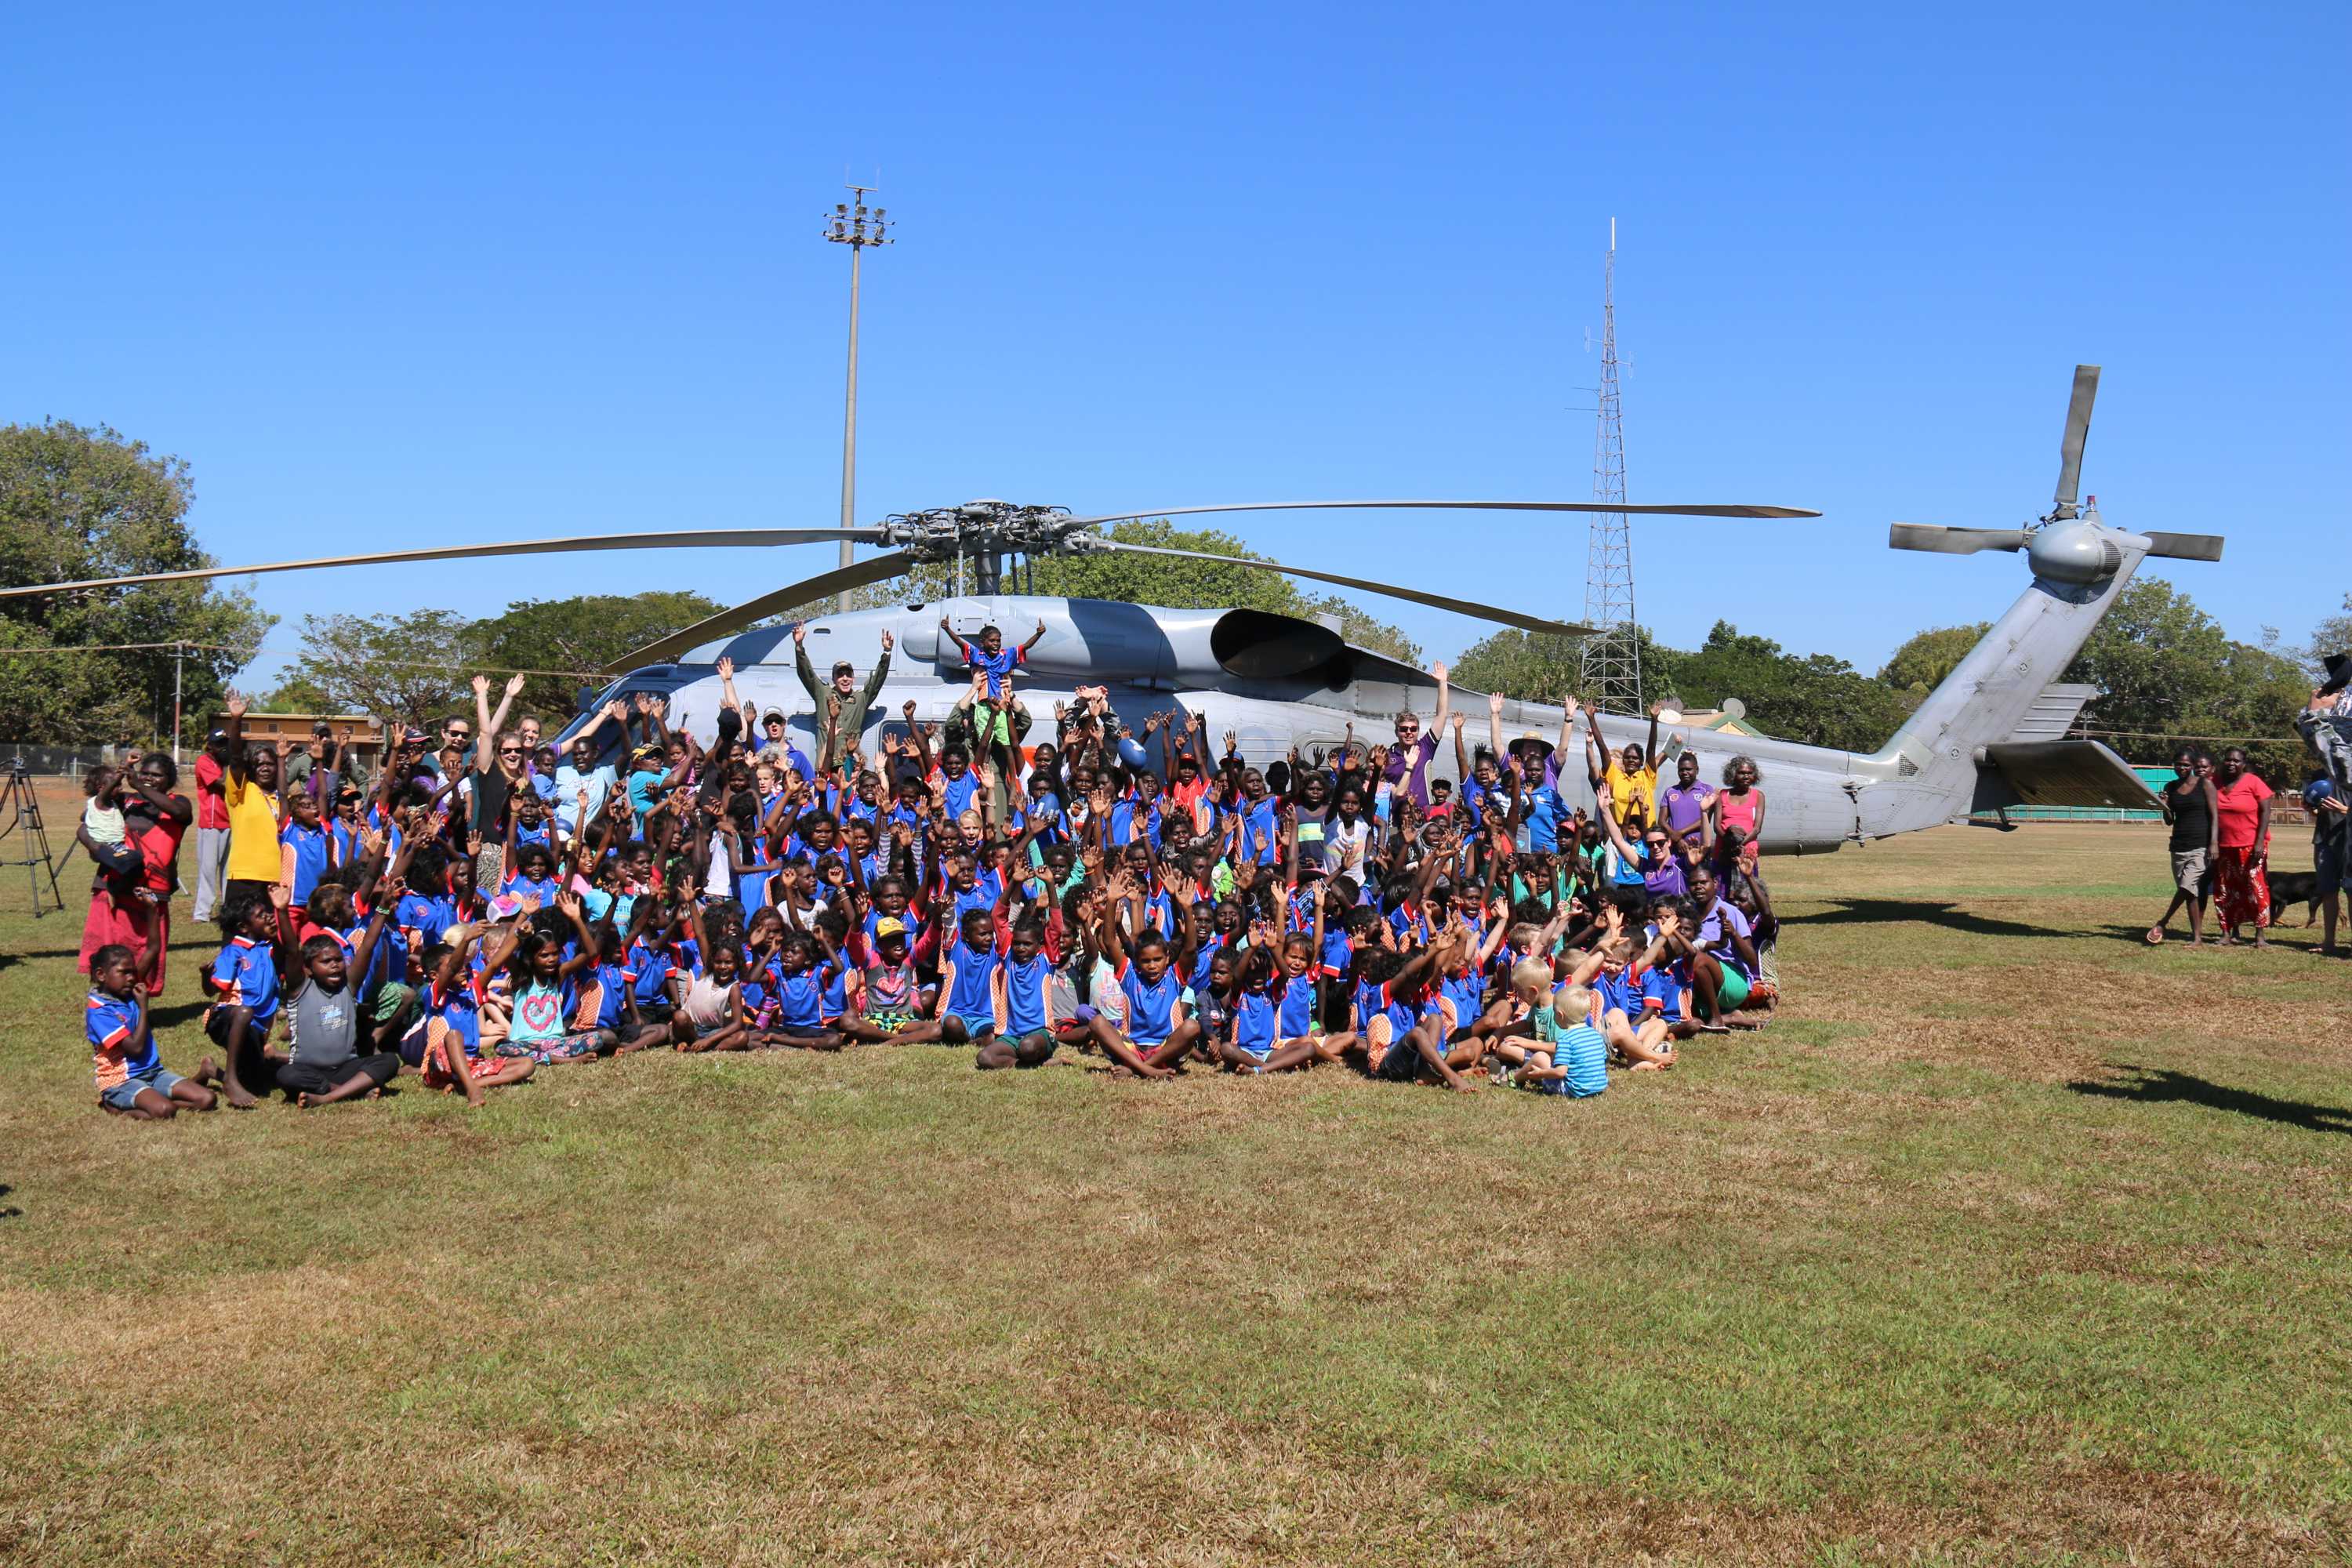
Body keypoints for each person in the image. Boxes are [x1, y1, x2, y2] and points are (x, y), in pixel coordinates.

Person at [280, 895, 403, 1108]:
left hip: (347, 1067)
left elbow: (367, 946)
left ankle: (327, 1096)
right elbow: (292, 951)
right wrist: (282, 910)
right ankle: (352, 1091)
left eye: (338, 960)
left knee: (390, 1061)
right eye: (326, 962)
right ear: (308, 969)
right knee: (286, 1074)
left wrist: (382, 908)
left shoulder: (348, 986)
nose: (335, 965)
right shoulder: (300, 989)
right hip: (309, 1068)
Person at [86, 943, 220, 1118]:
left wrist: (153, 916)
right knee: (164, 1111)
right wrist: (143, 1008)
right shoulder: (99, 1011)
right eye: (124, 972)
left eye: (133, 972)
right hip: (122, 1081)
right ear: (101, 975)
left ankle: (154, 1098)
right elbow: (135, 1048)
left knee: (207, 1099)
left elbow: (152, 949)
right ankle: (112, 1104)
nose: (131, 978)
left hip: (154, 1073)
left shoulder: (128, 992)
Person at [218, 696, 287, 910]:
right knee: (238, 936)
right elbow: (236, 757)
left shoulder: (285, 799)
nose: (265, 768)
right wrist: (236, 720)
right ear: (251, 768)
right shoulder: (241, 791)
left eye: (270, 764)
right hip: (244, 877)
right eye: (258, 764)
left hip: (277, 880)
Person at [795, 623, 893, 771]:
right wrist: (799, 647)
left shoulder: (861, 699)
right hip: (825, 766)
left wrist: (886, 653)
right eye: (840, 675)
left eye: (848, 675)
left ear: (853, 678)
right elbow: (806, 674)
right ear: (834, 679)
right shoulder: (823, 694)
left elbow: (877, 682)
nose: (845, 679)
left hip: (849, 767)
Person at [2149, 749, 2219, 946]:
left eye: (2187, 765)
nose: (2182, 768)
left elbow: (2215, 816)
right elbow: (2170, 821)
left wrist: (2214, 844)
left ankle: (2163, 922)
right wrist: (2163, 805)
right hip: (2178, 846)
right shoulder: (2170, 787)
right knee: (2190, 892)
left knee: (2186, 886)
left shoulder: (2205, 784)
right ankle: (2197, 937)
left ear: (2193, 766)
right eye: (2179, 764)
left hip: (2201, 846)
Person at [2209, 746, 2274, 948]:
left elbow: (2265, 811)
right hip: (2224, 846)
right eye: (2228, 760)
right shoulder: (2215, 783)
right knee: (2225, 890)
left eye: (2236, 761)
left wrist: (2259, 841)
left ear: (2243, 764)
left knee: (2256, 889)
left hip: (2251, 845)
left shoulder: (2253, 782)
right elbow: (2211, 815)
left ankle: (2260, 935)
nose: (2231, 764)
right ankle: (2227, 933)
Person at [189, 728, 234, 923]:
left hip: (231, 821)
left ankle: (228, 910)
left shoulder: (228, 762)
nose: (222, 747)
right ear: (210, 746)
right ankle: (202, 912)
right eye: (219, 744)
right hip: (212, 822)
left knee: (229, 870)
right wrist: (227, 763)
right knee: (208, 870)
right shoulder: (204, 761)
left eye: (225, 743)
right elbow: (221, 784)